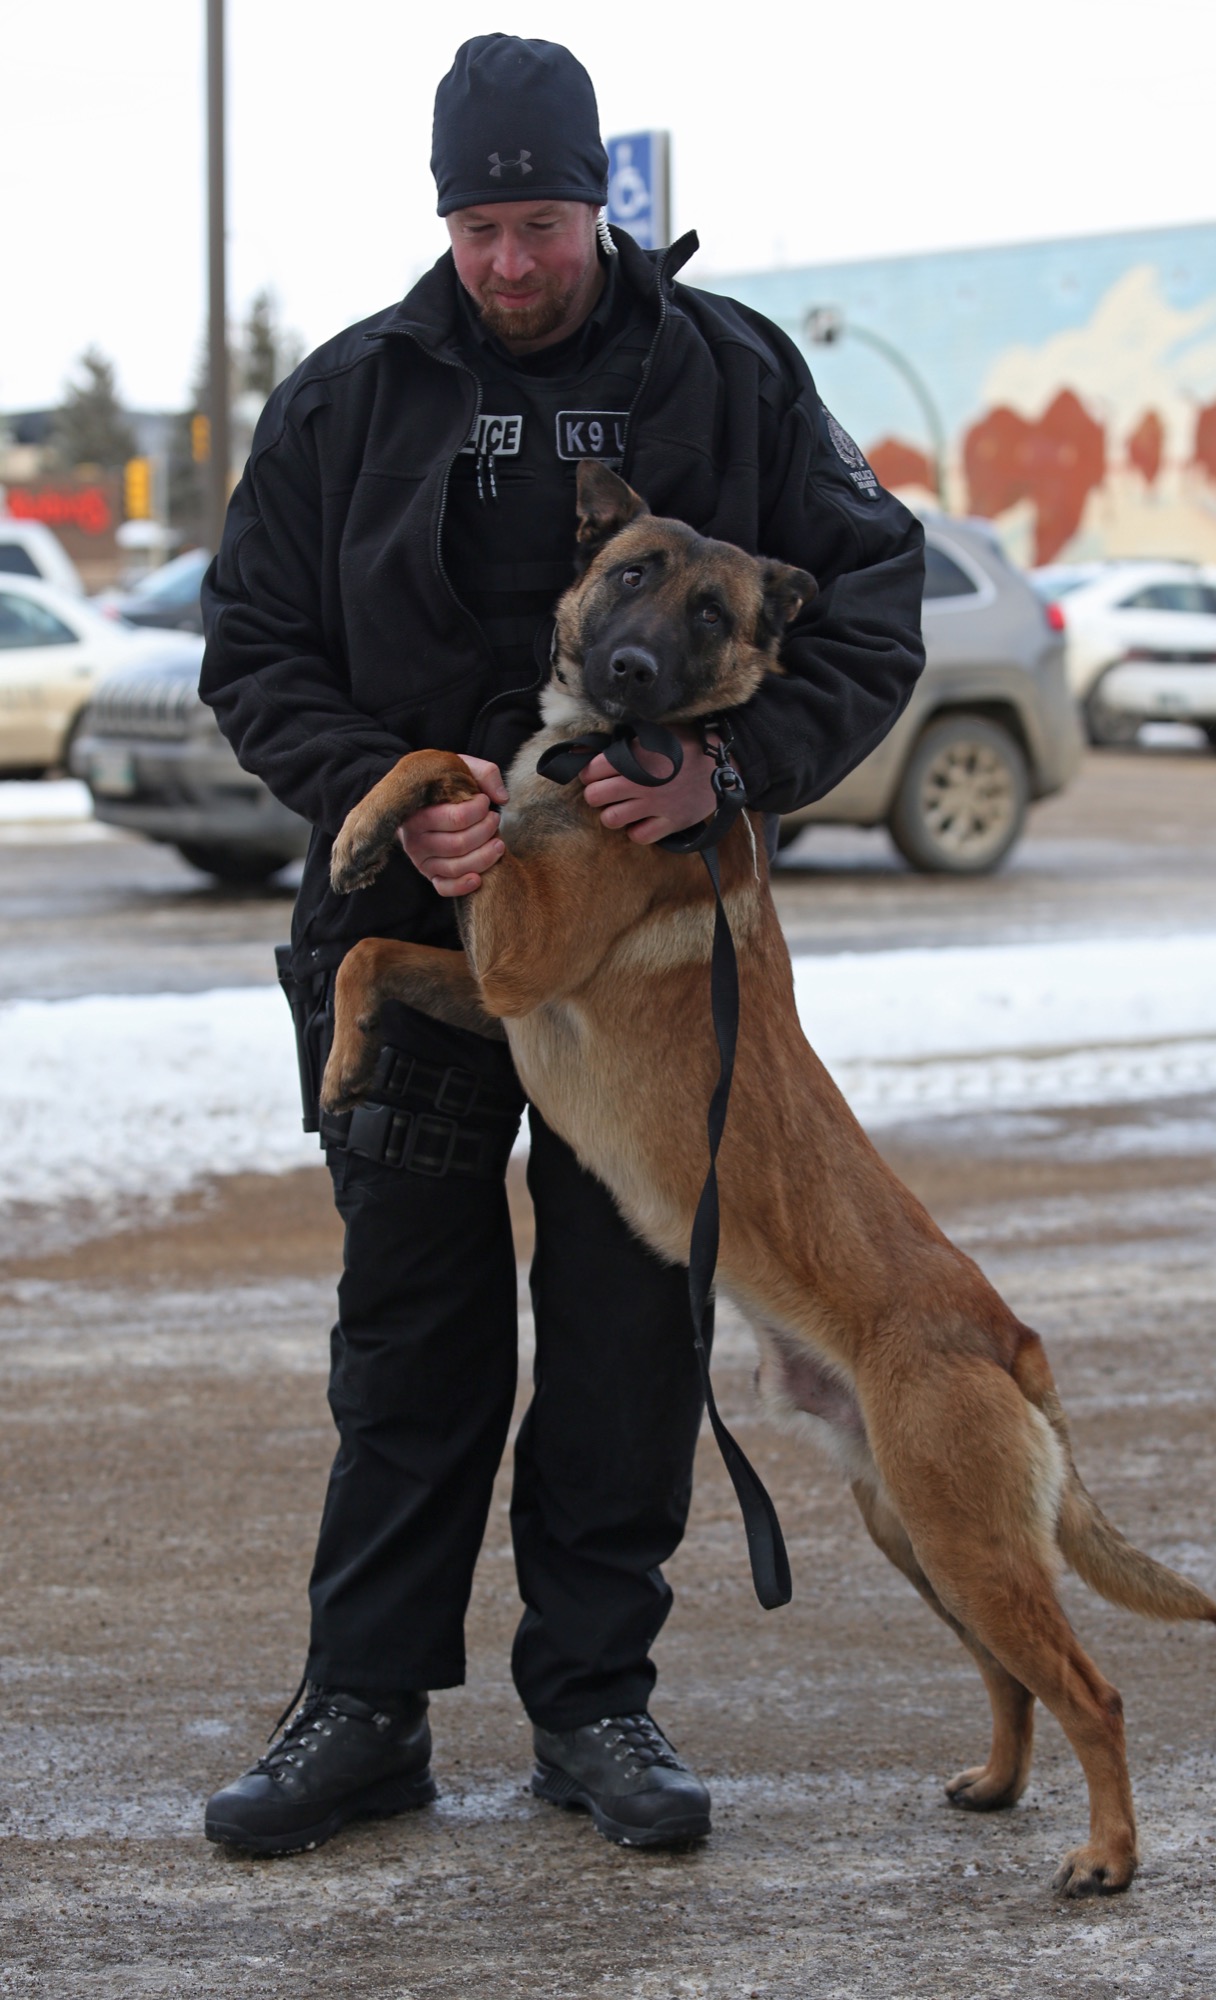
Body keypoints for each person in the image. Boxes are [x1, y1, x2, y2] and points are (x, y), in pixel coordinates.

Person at [198, 33, 925, 1858]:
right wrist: (375, 788)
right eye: (477, 227)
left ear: (597, 202)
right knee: (410, 1334)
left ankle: (595, 1705)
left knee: (622, 1335)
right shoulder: (349, 394)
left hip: (652, 957)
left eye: (537, 221)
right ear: (442, 220)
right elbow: (252, 648)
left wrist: (734, 769)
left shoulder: (730, 373)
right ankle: (362, 1709)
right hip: (407, 920)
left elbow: (874, 599)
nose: (508, 260)